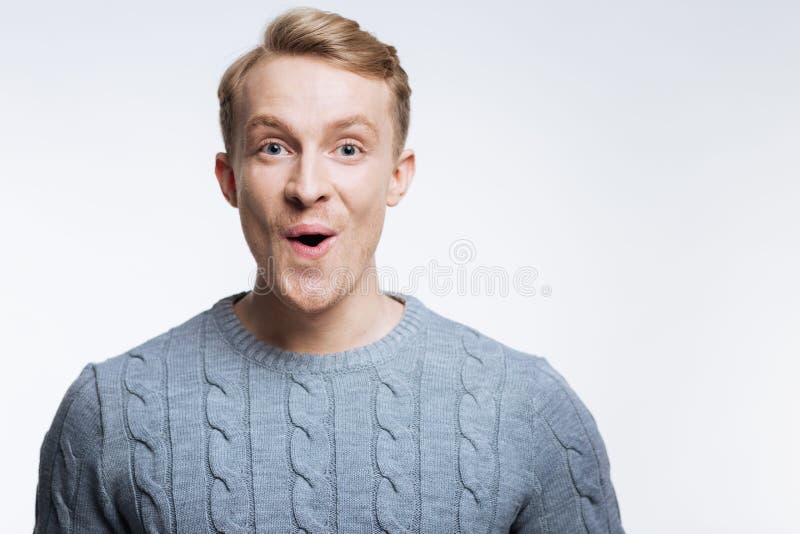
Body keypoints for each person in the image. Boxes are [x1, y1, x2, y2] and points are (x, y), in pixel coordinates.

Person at [34, 7, 624, 533]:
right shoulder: (110, 413)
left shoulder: (527, 408)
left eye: (347, 148)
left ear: (398, 175)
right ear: (230, 179)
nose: (308, 187)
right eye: (273, 147)